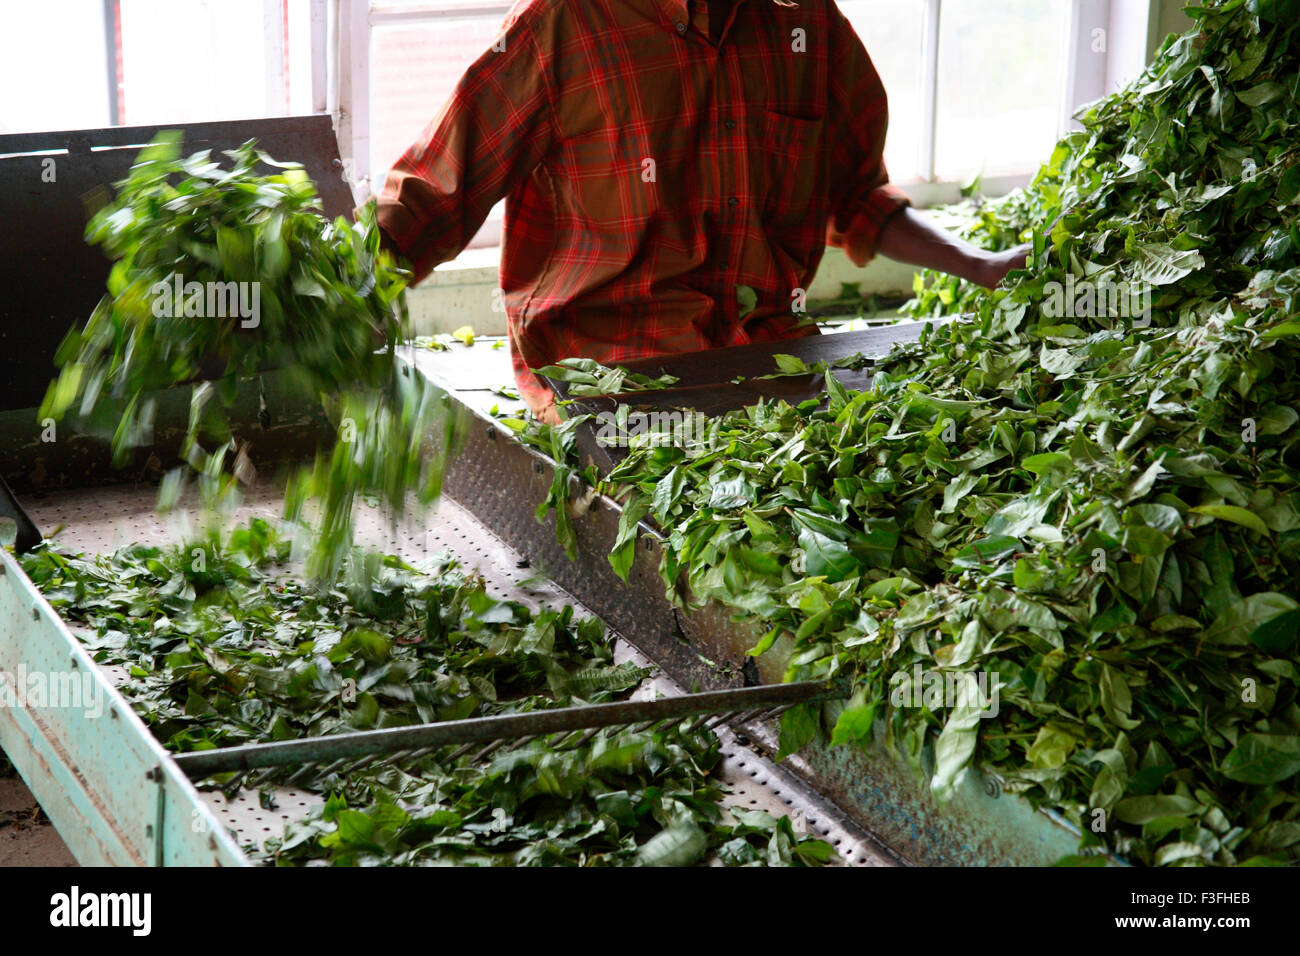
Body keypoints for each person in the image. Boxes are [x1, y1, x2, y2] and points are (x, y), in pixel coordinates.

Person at [374, 0, 1028, 423]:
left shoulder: (805, 24)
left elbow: (856, 197)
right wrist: (329, 291)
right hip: (611, 377)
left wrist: (981, 265)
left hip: (774, 359)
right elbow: (432, 197)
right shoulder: (561, 26)